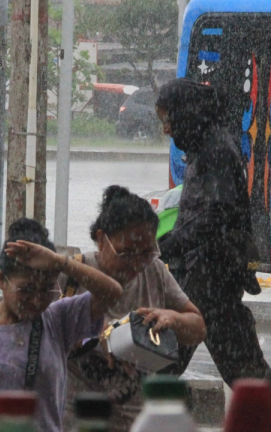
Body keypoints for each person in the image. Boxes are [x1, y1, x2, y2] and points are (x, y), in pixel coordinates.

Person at [0, 219, 123, 432]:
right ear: (1, 280)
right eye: (26, 290)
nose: (37, 300)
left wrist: (60, 262)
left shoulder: (57, 320)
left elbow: (112, 292)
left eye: (46, 290)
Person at [60, 185, 206, 432]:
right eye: (126, 253)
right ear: (100, 239)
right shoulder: (73, 276)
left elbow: (198, 327)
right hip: (76, 420)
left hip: (137, 422)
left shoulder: (155, 272)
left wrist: (173, 318)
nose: (137, 264)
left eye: (147, 253)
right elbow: (41, 334)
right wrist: (94, 337)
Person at [155, 78, 271, 385]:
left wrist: (170, 245)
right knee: (166, 359)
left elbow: (215, 213)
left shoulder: (215, 150)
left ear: (184, 113)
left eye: (167, 119)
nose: (166, 129)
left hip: (211, 277)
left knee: (165, 358)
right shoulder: (205, 145)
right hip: (202, 277)